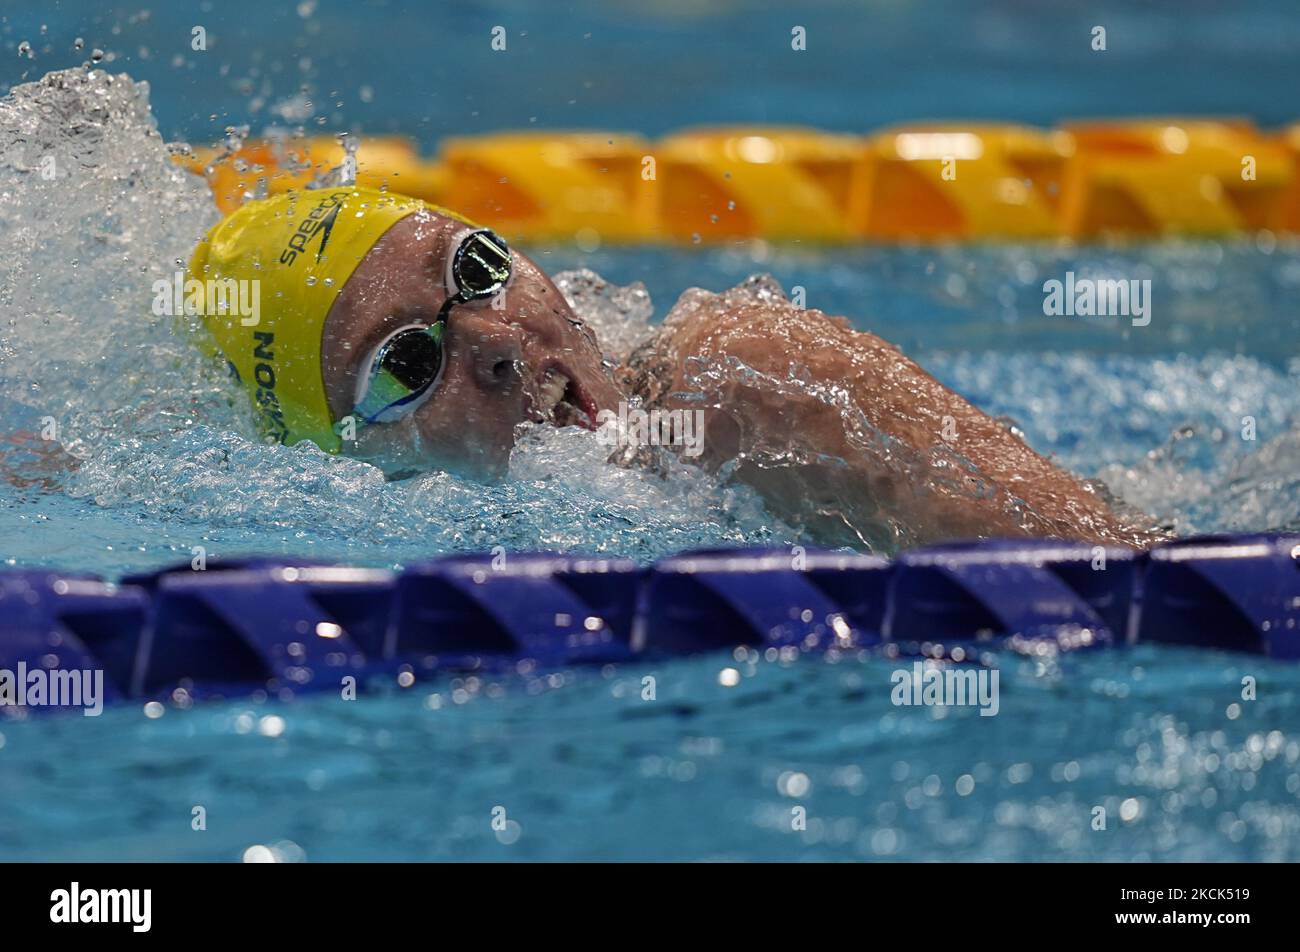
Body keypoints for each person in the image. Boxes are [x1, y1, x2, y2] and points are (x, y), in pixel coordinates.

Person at [186, 187, 1166, 551]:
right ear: (345, 458)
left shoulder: (744, 384)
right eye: (405, 362)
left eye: (476, 266)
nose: (488, 338)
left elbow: (1117, 578)